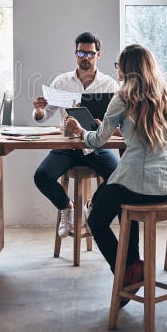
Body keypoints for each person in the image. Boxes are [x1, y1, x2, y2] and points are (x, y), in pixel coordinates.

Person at [65, 44, 167, 305]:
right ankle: (132, 266)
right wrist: (113, 128)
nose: (116, 70)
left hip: (136, 184)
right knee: (113, 200)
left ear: (127, 69)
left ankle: (125, 273)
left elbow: (95, 142)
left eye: (119, 66)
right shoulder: (165, 95)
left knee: (95, 219)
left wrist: (79, 129)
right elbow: (141, 133)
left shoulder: (122, 97)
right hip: (164, 185)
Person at [32, 32, 120, 240]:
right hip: (67, 146)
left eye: (90, 53)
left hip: (96, 146)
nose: (85, 57)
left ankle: (93, 205)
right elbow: (46, 115)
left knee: (119, 177)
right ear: (75, 54)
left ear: (99, 55)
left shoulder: (110, 85)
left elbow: (117, 120)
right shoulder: (62, 81)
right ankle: (67, 207)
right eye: (81, 52)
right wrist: (38, 111)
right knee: (41, 176)